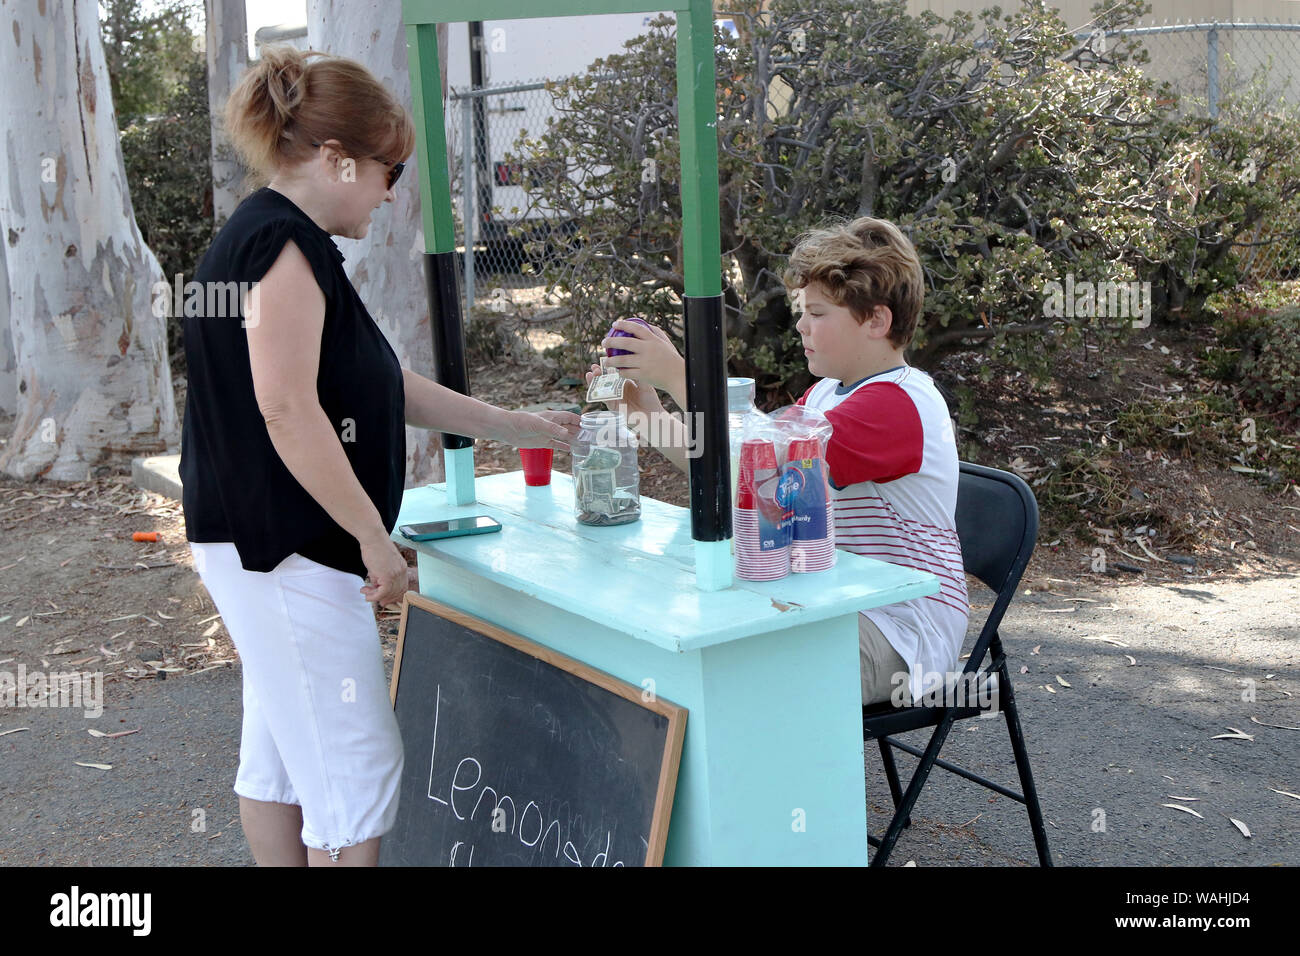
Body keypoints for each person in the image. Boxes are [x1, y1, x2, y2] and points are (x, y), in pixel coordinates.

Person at [180, 46, 579, 867]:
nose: (394, 194)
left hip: (265, 547)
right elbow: (286, 407)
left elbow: (385, 387)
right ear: (336, 158)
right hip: (288, 549)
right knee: (357, 770)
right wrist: (369, 535)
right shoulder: (281, 247)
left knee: (285, 760)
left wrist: (515, 424)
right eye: (389, 171)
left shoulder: (284, 240)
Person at [587, 217, 968, 707]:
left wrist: (683, 376)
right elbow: (748, 477)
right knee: (696, 638)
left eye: (818, 313)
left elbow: (761, 465)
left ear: (876, 321)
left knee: (743, 670)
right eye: (802, 311)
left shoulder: (898, 405)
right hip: (829, 600)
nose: (801, 324)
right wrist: (649, 418)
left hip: (902, 630)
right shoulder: (825, 394)